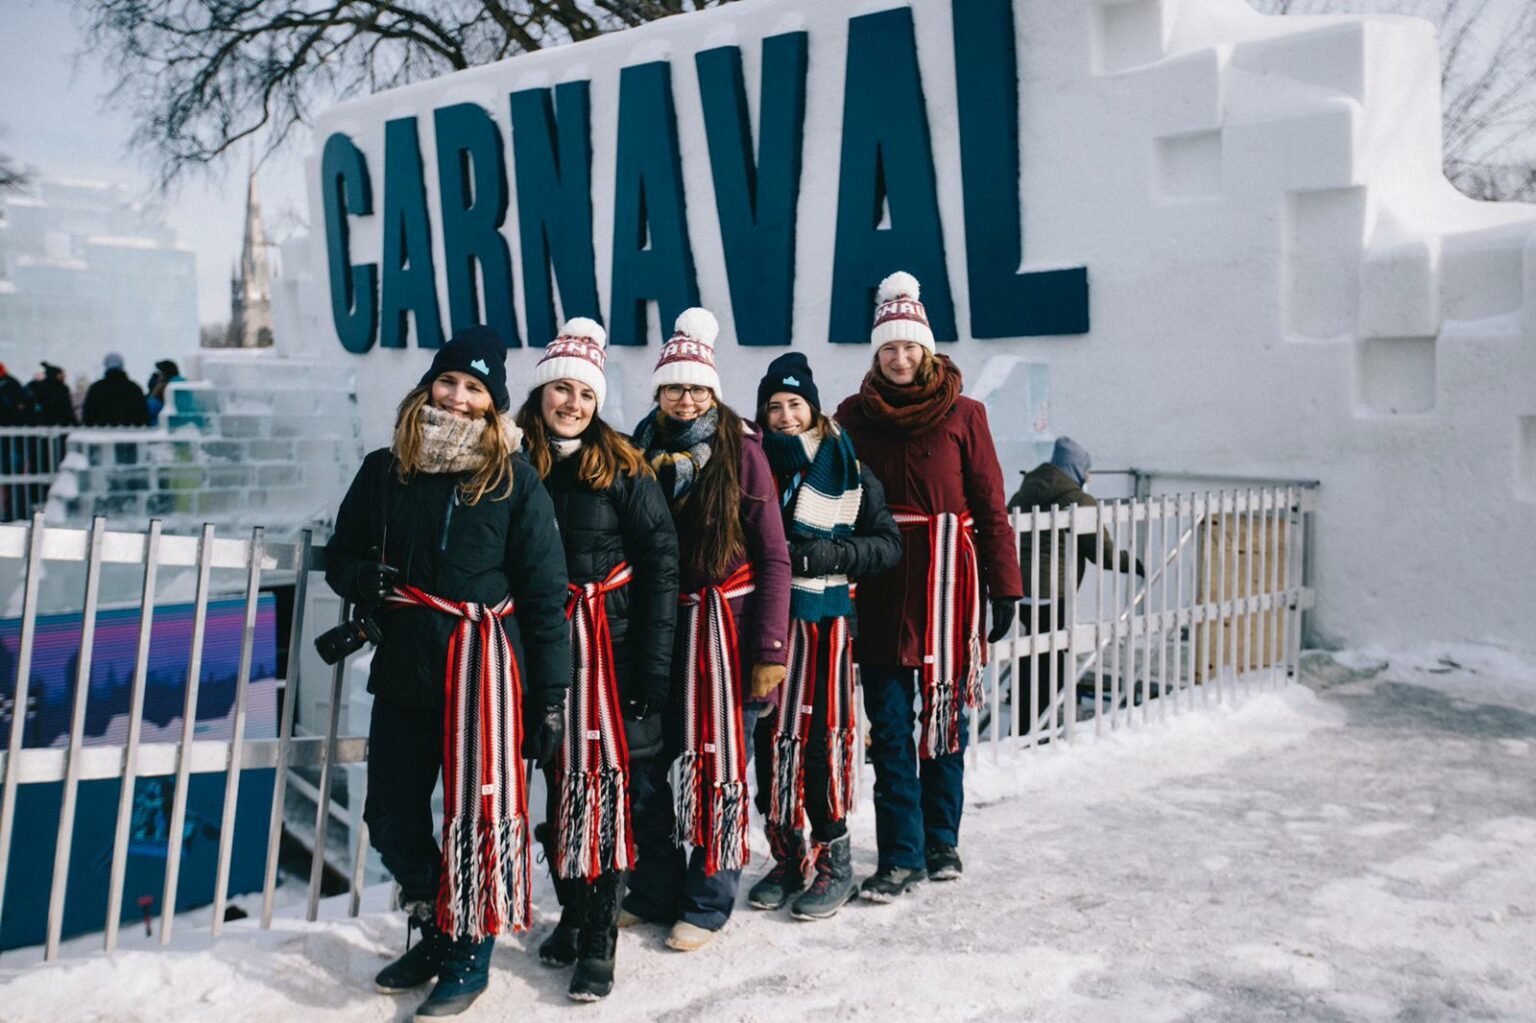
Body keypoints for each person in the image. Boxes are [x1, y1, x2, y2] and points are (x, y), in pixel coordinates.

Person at [324, 326, 571, 1020]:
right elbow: (342, 553)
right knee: (389, 815)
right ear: (430, 384)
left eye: (475, 389)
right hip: (406, 670)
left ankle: (469, 946)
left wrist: (549, 695)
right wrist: (360, 577)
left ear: (493, 405)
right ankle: (440, 921)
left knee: (479, 821)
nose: (458, 398)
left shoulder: (514, 481)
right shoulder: (385, 469)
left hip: (485, 680)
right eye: (450, 382)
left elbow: (545, 596)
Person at [835, 271, 1023, 899]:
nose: (900, 358)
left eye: (910, 346)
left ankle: (942, 839)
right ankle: (900, 854)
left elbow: (990, 505)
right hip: (882, 585)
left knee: (944, 723)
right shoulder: (852, 417)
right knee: (888, 728)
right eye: (889, 348)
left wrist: (1005, 588)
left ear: (928, 348)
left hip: (950, 586)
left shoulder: (966, 415)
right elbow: (835, 499)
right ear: (876, 353)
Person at [514, 317, 679, 1001]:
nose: (572, 403)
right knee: (557, 788)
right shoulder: (515, 463)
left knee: (604, 795)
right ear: (542, 391)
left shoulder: (624, 467)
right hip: (541, 652)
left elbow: (661, 563)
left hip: (609, 658)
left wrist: (652, 667)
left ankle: (602, 935)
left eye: (585, 393)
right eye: (562, 389)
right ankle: (574, 912)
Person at [624, 307, 791, 952]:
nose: (685, 397)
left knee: (719, 765)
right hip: (661, 629)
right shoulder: (638, 449)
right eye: (674, 387)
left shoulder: (742, 451)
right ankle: (655, 887)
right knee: (648, 765)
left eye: (696, 387)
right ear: (659, 392)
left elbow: (773, 554)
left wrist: (770, 649)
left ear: (713, 392)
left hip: (728, 632)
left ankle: (708, 899)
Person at [747, 351, 902, 920]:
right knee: (769, 742)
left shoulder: (846, 466)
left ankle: (834, 858)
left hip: (827, 627)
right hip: (766, 624)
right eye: (775, 406)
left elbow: (888, 544)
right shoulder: (752, 464)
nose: (785, 416)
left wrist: (828, 554)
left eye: (795, 405)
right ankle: (786, 857)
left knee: (819, 743)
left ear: (812, 410)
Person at [1008, 436, 1145, 729]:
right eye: (1087, 469)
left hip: (1020, 590)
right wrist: (1133, 563)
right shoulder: (1078, 500)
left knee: (1027, 655)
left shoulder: (1025, 492)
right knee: (1052, 662)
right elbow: (1101, 554)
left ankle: (1021, 724)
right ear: (1076, 468)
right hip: (1052, 592)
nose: (1089, 476)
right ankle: (1041, 728)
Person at [82, 353, 150, 427]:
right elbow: (143, 415)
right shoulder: (134, 388)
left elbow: (87, 416)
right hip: (131, 434)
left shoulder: (95, 388)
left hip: (100, 435)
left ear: (105, 365)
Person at [26, 362, 76, 426]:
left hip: (58, 422)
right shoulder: (41, 387)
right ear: (54, 375)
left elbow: (67, 407)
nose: (64, 376)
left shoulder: (63, 388)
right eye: (60, 374)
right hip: (46, 422)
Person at [146, 359, 182, 426]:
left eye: (160, 373)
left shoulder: (159, 398)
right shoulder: (182, 388)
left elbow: (147, 410)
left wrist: (153, 394)